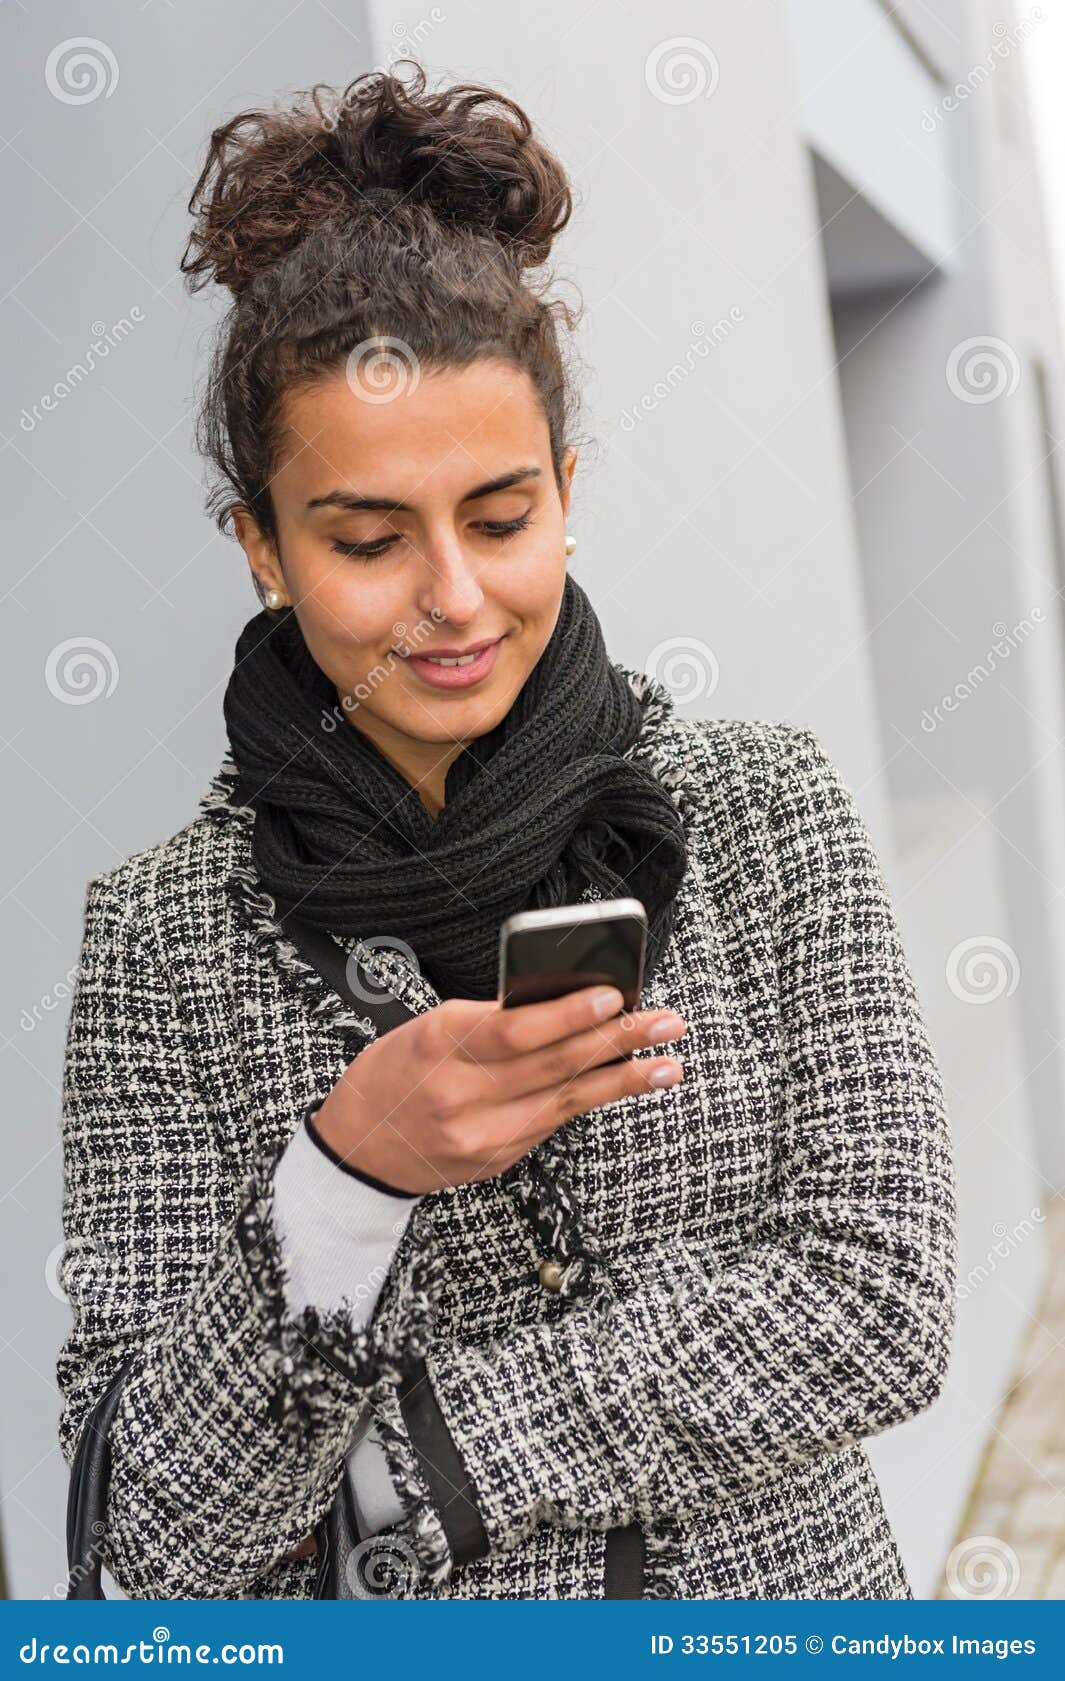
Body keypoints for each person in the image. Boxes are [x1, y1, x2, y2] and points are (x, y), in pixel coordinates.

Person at [56, 60, 957, 1601]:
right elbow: (142, 1543)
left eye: (497, 515)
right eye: (365, 537)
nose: (456, 598)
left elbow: (878, 1295)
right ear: (262, 549)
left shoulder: (760, 812)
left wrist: (426, 1453)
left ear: (565, 493)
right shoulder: (161, 938)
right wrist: (347, 1173)